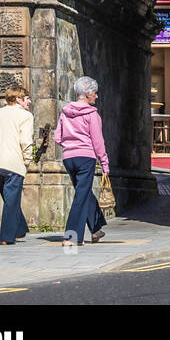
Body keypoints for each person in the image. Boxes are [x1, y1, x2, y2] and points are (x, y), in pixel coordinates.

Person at [54, 76, 110, 246]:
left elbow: (58, 137)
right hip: (85, 157)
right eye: (95, 93)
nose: (97, 96)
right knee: (80, 195)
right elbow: (97, 141)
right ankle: (71, 237)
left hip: (69, 158)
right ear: (87, 94)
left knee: (83, 192)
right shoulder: (92, 114)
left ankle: (96, 228)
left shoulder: (65, 112)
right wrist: (105, 162)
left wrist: (70, 145)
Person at [0, 86, 34, 246]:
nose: (29, 101)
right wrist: (27, 160)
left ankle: (20, 228)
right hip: (13, 163)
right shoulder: (25, 115)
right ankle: (6, 236)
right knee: (11, 200)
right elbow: (26, 140)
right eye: (27, 98)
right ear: (18, 99)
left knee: (10, 199)